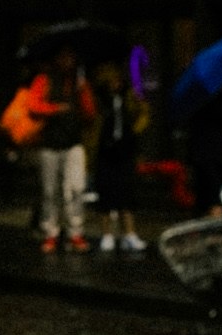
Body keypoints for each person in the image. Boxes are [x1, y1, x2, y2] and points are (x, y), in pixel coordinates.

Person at [24, 42, 97, 251]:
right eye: (63, 57)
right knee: (50, 191)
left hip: (73, 143)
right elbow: (33, 105)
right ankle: (51, 232)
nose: (67, 61)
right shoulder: (44, 80)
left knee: (75, 189)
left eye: (70, 57)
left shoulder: (79, 82)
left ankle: (76, 232)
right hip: (50, 143)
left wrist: (83, 91)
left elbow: (90, 114)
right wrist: (55, 109)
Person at [89, 57, 144, 257]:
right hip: (105, 151)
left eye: (118, 80)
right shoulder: (101, 101)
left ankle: (129, 233)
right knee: (106, 193)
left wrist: (133, 132)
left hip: (125, 151)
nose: (115, 84)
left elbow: (142, 114)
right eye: (111, 80)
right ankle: (107, 234)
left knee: (127, 193)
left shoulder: (129, 97)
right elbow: (93, 122)